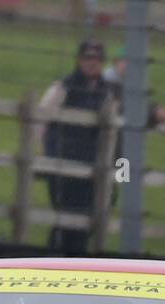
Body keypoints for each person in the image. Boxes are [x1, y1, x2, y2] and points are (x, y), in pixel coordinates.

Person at [36, 38, 117, 254]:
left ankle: (72, 258)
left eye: (97, 59)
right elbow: (41, 120)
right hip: (64, 165)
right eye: (88, 58)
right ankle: (58, 258)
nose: (93, 63)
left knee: (93, 216)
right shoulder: (64, 87)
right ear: (79, 60)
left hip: (95, 167)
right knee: (65, 219)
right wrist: (49, 155)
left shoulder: (108, 91)